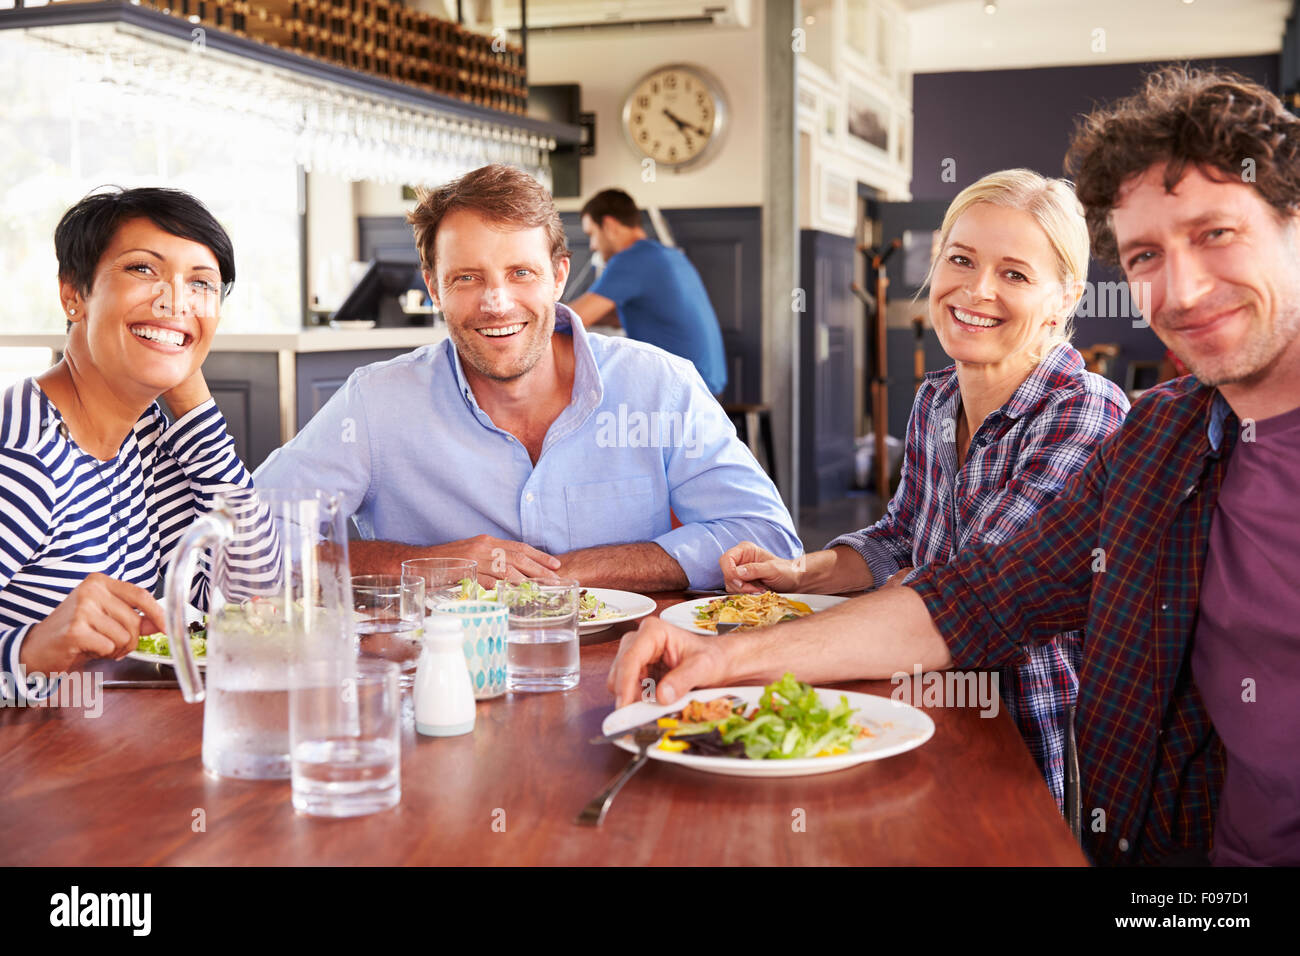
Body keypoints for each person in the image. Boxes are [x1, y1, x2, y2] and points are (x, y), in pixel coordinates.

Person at [610, 67, 1300, 866]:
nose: (1180, 288)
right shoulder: (1163, 442)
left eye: (1216, 233)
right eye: (1146, 254)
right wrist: (723, 656)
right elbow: (981, 596)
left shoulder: (1098, 418)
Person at [718, 169, 1129, 811]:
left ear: (1065, 297)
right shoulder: (937, 396)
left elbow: (977, 589)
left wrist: (752, 653)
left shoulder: (1084, 413)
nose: (977, 289)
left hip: (1020, 745)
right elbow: (901, 536)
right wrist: (798, 572)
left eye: (1015, 274)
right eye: (960, 259)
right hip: (907, 702)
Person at [255, 165, 799, 590]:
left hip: (637, 683)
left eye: (521, 273)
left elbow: (767, 537)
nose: (496, 302)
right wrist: (428, 563)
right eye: (467, 277)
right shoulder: (376, 403)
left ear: (559, 275)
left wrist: (581, 571)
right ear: (433, 285)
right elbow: (251, 543)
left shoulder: (661, 386)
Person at [1, 187, 264, 702]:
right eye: (143, 269)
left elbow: (247, 597)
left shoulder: (137, 438)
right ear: (73, 294)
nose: (175, 299)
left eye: (201, 284)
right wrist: (29, 651)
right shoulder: (23, 461)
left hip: (112, 753)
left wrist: (189, 389)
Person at [569, 188, 728, 395]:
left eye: (592, 234)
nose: (592, 246)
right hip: (709, 384)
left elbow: (573, 318)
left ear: (609, 225)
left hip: (686, 392)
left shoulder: (631, 260)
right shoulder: (666, 255)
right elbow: (645, 314)